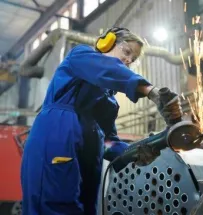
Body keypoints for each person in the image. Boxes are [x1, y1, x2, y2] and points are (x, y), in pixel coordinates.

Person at [20, 27, 182, 215]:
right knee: (55, 204)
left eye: (133, 60)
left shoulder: (108, 100)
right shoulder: (81, 56)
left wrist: (135, 152)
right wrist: (150, 91)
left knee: (86, 207)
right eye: (127, 52)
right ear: (107, 43)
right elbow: (106, 69)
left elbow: (108, 142)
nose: (128, 60)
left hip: (89, 151)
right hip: (57, 132)